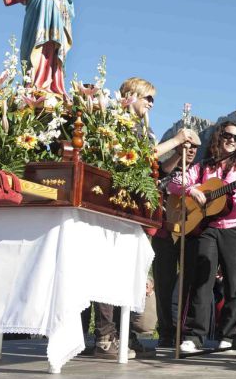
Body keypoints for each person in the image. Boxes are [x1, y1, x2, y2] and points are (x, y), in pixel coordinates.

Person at [89, 77, 195, 360]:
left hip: (134, 209)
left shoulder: (145, 129)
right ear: (130, 95)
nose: (150, 103)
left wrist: (177, 157)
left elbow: (156, 167)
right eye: (147, 97)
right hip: (115, 205)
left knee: (127, 273)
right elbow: (133, 156)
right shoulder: (117, 122)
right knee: (109, 272)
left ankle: (124, 333)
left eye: (152, 99)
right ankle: (105, 336)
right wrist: (175, 139)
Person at [169, 122, 236, 352]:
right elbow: (175, 182)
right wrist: (192, 190)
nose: (232, 140)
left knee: (234, 284)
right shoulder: (203, 168)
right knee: (202, 279)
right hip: (208, 228)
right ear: (218, 138)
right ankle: (195, 335)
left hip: (235, 228)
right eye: (227, 135)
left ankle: (229, 334)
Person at [152, 130, 202, 348]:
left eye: (195, 147)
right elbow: (161, 182)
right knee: (164, 282)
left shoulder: (200, 172)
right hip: (164, 232)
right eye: (187, 145)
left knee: (189, 282)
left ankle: (183, 329)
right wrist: (176, 156)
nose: (190, 150)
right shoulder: (164, 168)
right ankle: (165, 331)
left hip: (191, 233)